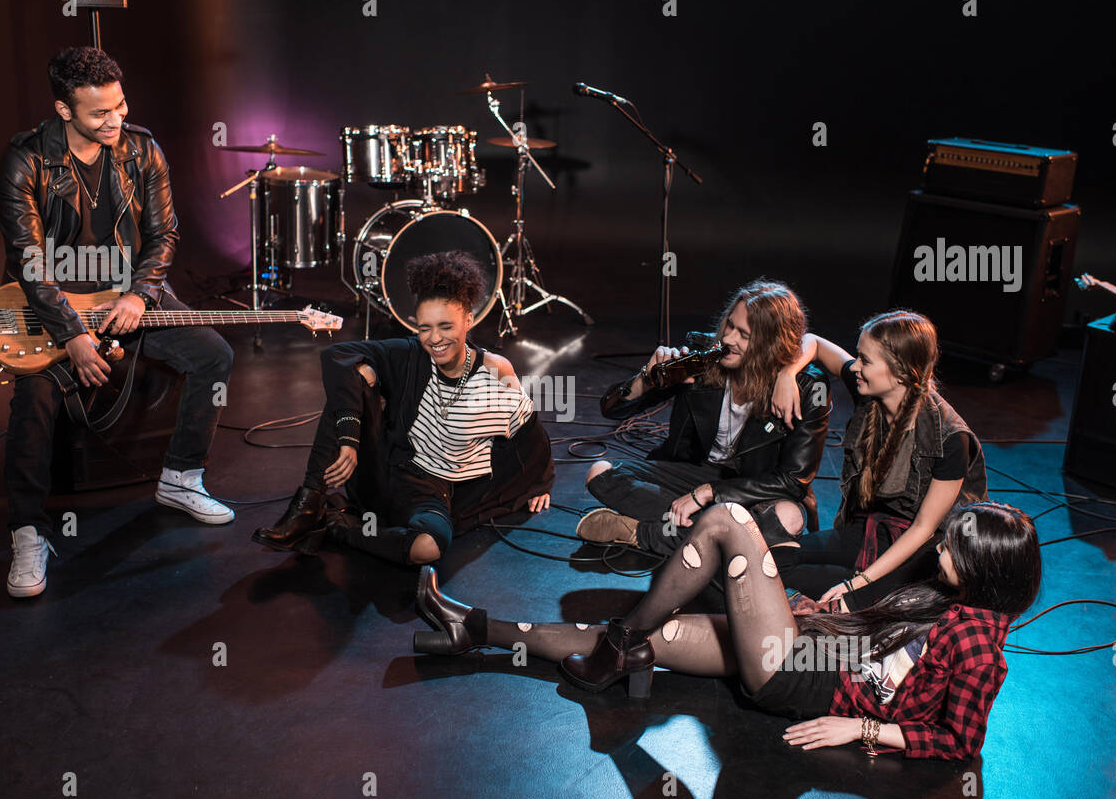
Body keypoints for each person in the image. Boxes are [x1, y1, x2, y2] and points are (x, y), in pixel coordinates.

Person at [411, 500, 1040, 760]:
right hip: (805, 645)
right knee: (649, 638)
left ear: (989, 569)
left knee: (729, 522)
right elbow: (883, 649)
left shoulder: (981, 645)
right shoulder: (944, 599)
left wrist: (866, 727)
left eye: (958, 548)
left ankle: (614, 649)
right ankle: (478, 629)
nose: (940, 552)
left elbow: (962, 742)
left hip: (797, 675)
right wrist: (825, 618)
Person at [0, 47, 234, 599]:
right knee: (33, 396)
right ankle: (27, 530)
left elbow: (164, 234)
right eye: (99, 112)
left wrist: (141, 294)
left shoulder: (142, 148)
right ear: (63, 109)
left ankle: (181, 477)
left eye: (120, 106)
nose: (114, 120)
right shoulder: (24, 160)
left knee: (213, 354)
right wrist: (73, 335)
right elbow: (28, 259)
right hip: (51, 302)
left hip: (128, 293)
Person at [252, 250, 554, 565]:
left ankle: (335, 528)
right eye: (425, 328)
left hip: (428, 491)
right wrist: (349, 439)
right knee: (351, 378)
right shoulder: (408, 353)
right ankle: (308, 504)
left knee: (428, 548)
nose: (435, 339)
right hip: (379, 469)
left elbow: (528, 433)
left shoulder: (496, 370)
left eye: (446, 327)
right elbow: (336, 356)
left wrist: (539, 482)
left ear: (468, 319)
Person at [580, 279, 831, 556]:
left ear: (771, 344)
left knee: (789, 517)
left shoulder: (807, 388)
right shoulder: (702, 357)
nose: (728, 339)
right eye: (730, 326)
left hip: (753, 490)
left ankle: (641, 533)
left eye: (744, 335)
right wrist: (647, 378)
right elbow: (612, 409)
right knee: (600, 473)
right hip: (694, 474)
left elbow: (793, 481)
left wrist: (709, 493)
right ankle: (727, 543)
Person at [768, 309, 987, 611]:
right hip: (872, 532)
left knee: (839, 599)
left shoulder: (950, 439)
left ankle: (856, 603)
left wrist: (857, 583)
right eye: (858, 356)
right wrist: (787, 373)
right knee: (772, 561)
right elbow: (814, 342)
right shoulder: (870, 395)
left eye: (865, 361)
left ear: (901, 372)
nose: (855, 366)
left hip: (920, 556)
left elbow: (923, 530)